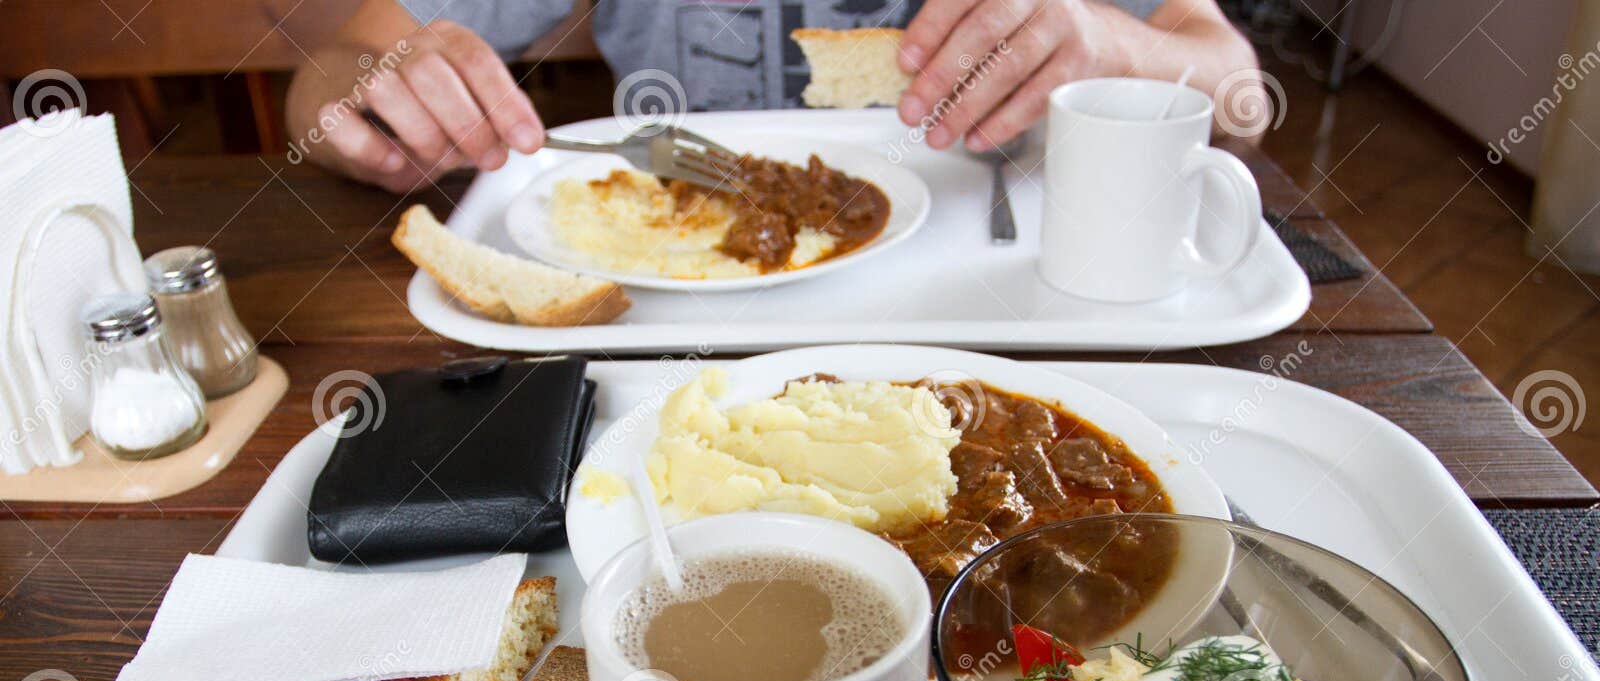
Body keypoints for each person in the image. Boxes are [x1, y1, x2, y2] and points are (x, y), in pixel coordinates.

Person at [287, 0, 1261, 194]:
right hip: (672, 309)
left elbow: (1239, 95)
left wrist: (1112, 43)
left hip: (991, 306)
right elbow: (337, 67)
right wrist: (373, 98)